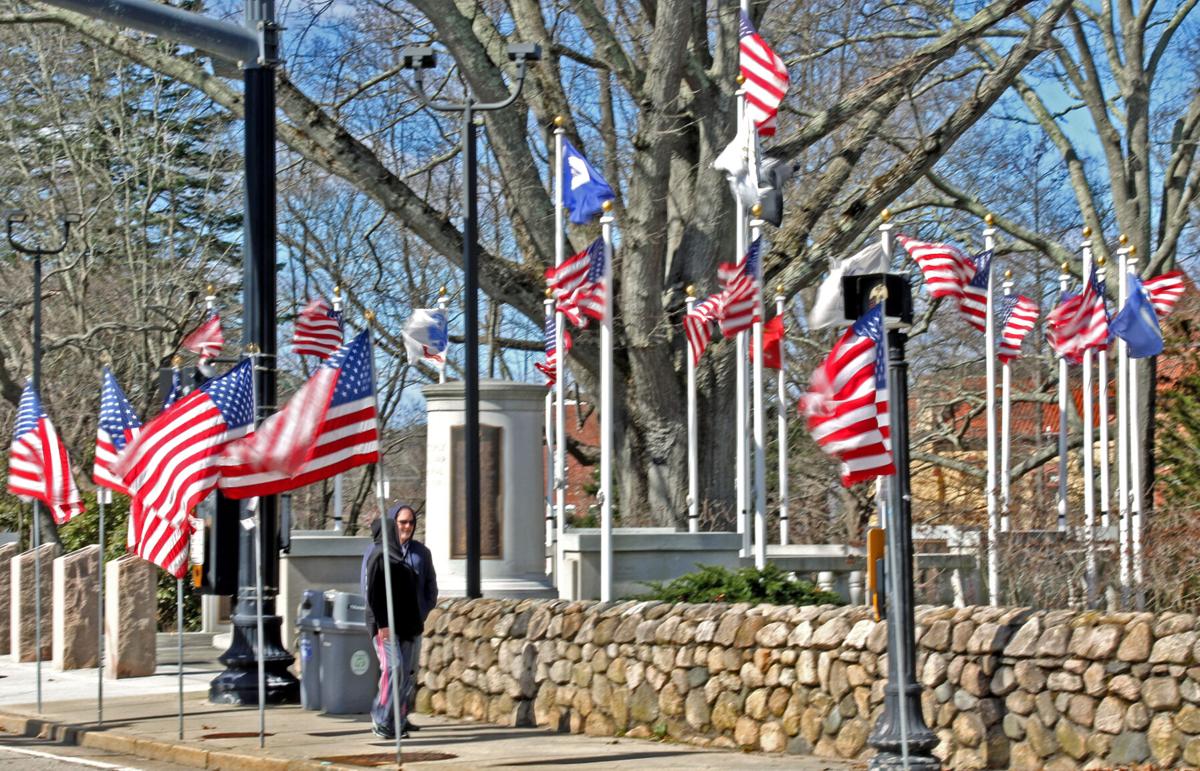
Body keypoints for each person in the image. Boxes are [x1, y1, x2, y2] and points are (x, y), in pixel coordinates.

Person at [363, 507, 423, 740]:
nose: (403, 531)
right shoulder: (379, 556)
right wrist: (382, 624)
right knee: (393, 668)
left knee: (402, 673)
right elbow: (374, 593)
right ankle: (381, 718)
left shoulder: (396, 558)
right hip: (385, 629)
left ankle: (394, 719)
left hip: (405, 627)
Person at [392, 504, 437, 732]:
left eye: (410, 522)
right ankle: (386, 717)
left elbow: (431, 587)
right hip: (390, 625)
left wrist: (422, 612)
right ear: (394, 523)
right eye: (403, 522)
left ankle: (402, 715)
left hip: (413, 624)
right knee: (393, 671)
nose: (407, 526)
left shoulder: (422, 553)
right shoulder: (382, 550)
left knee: (409, 673)